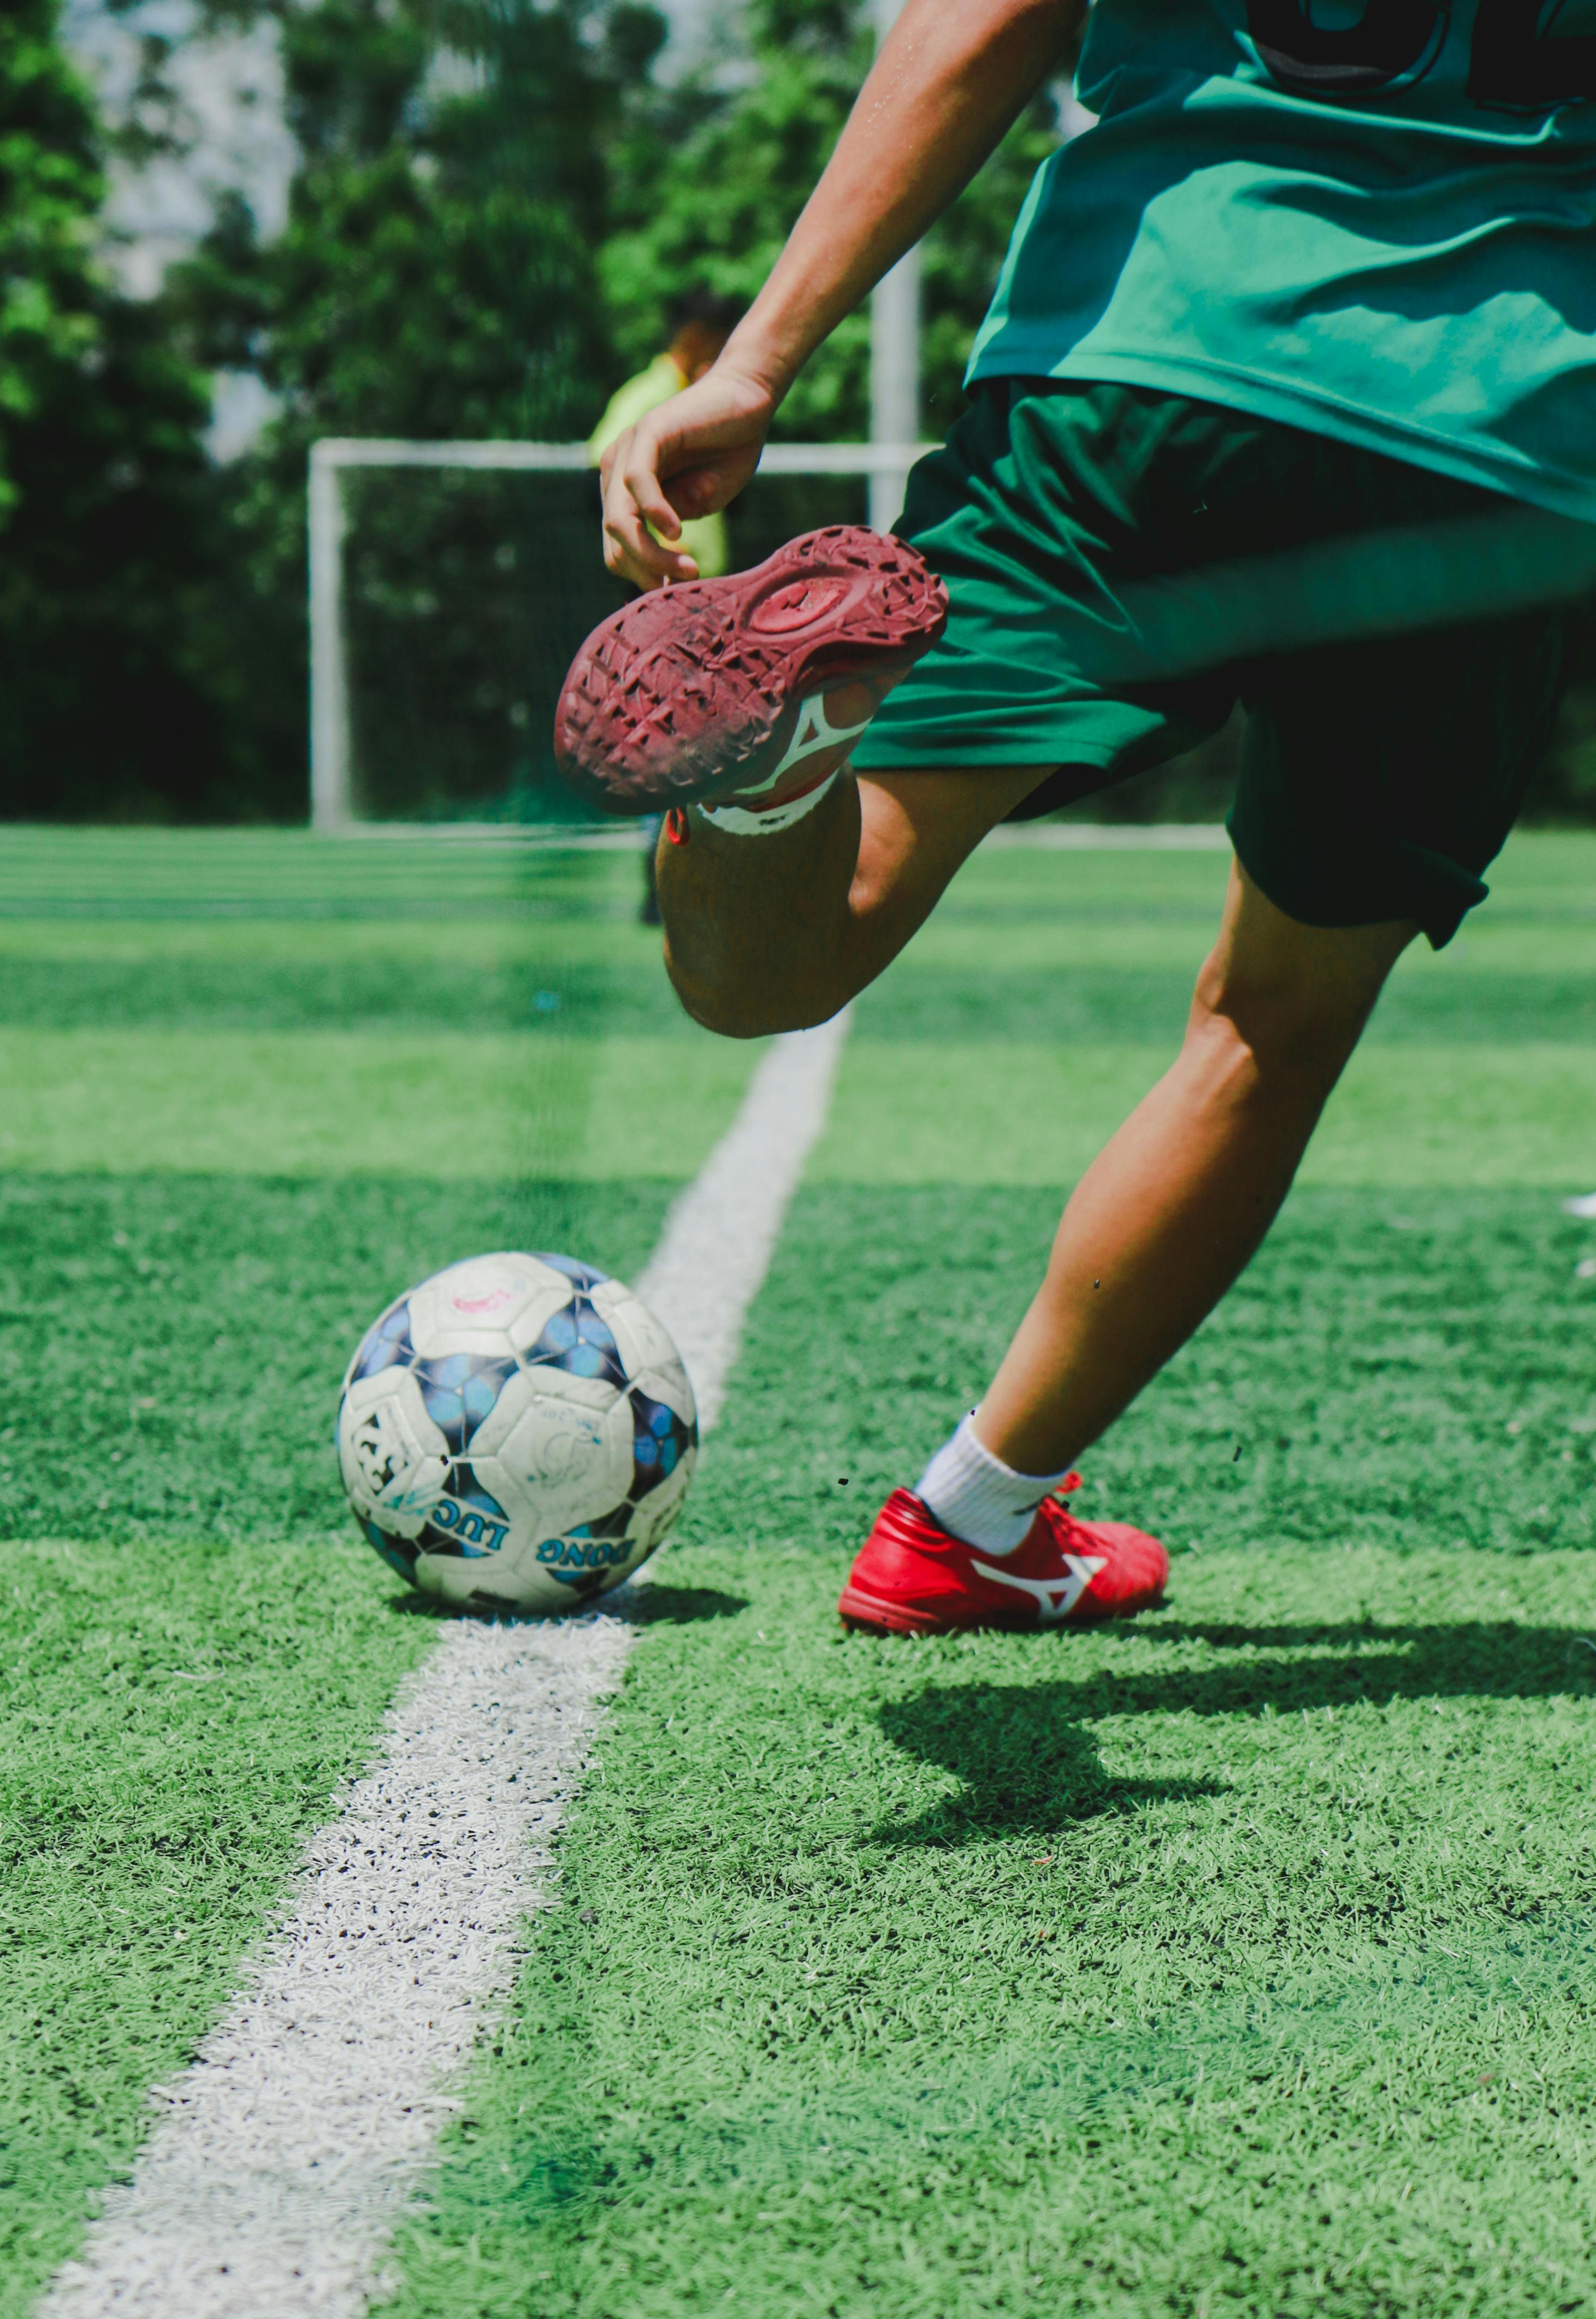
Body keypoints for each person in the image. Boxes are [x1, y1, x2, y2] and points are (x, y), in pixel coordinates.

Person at [569, 0, 1596, 1632]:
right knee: (1273, 1019)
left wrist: (760, 354)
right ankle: (970, 1519)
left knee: (768, 971)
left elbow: (984, 18)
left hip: (1140, 355)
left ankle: (775, 779)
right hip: (1485, 431)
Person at [588, 290, 748, 924]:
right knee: (666, 746)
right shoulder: (648, 399)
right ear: (694, 341)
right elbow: (600, 470)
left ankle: (692, 880)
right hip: (659, 612)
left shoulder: (685, 395)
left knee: (698, 746)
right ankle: (663, 886)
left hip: (699, 610)